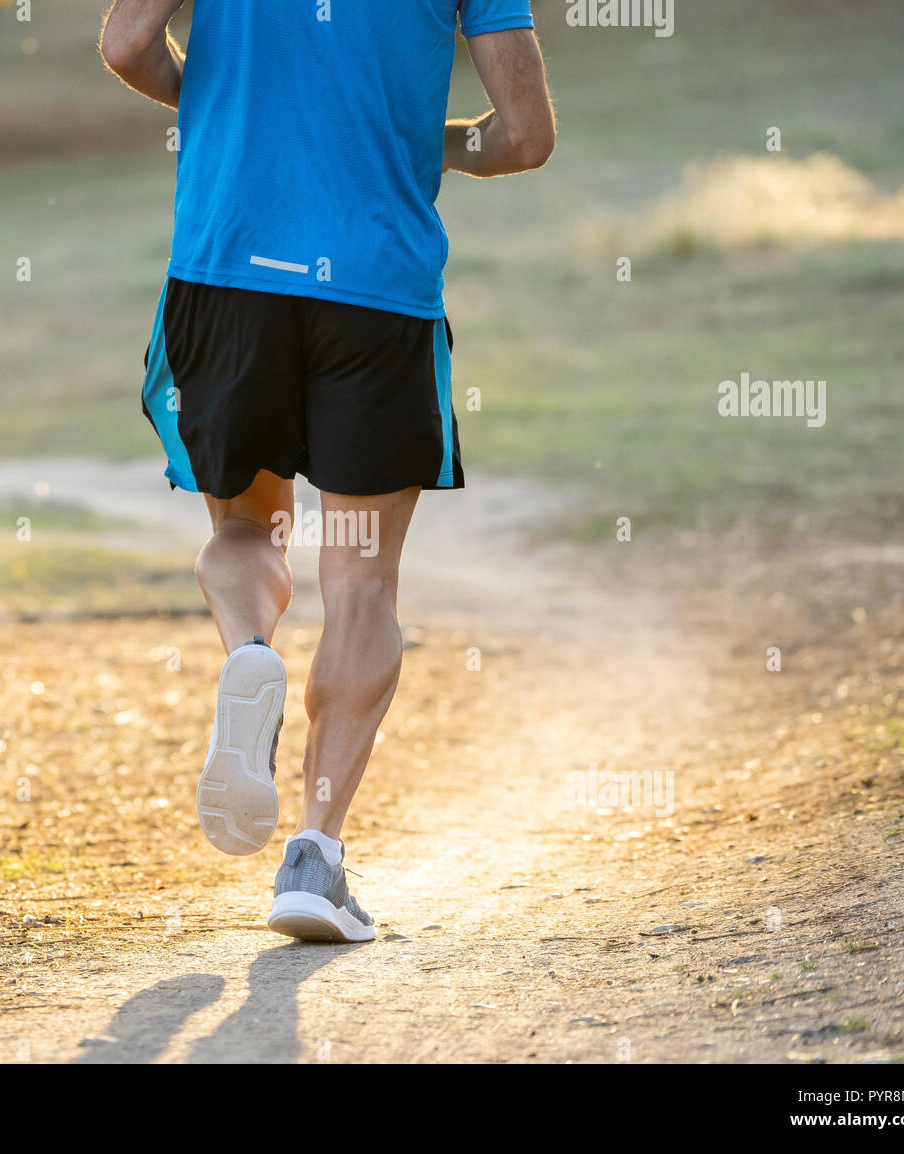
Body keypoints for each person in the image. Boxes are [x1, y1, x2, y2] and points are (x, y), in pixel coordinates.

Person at [100, 0, 554, 942]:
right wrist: (434, 143)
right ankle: (314, 854)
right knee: (359, 583)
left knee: (242, 533)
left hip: (226, 275)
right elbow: (524, 136)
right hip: (374, 292)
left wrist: (219, 102)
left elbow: (126, 44)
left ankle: (248, 654)